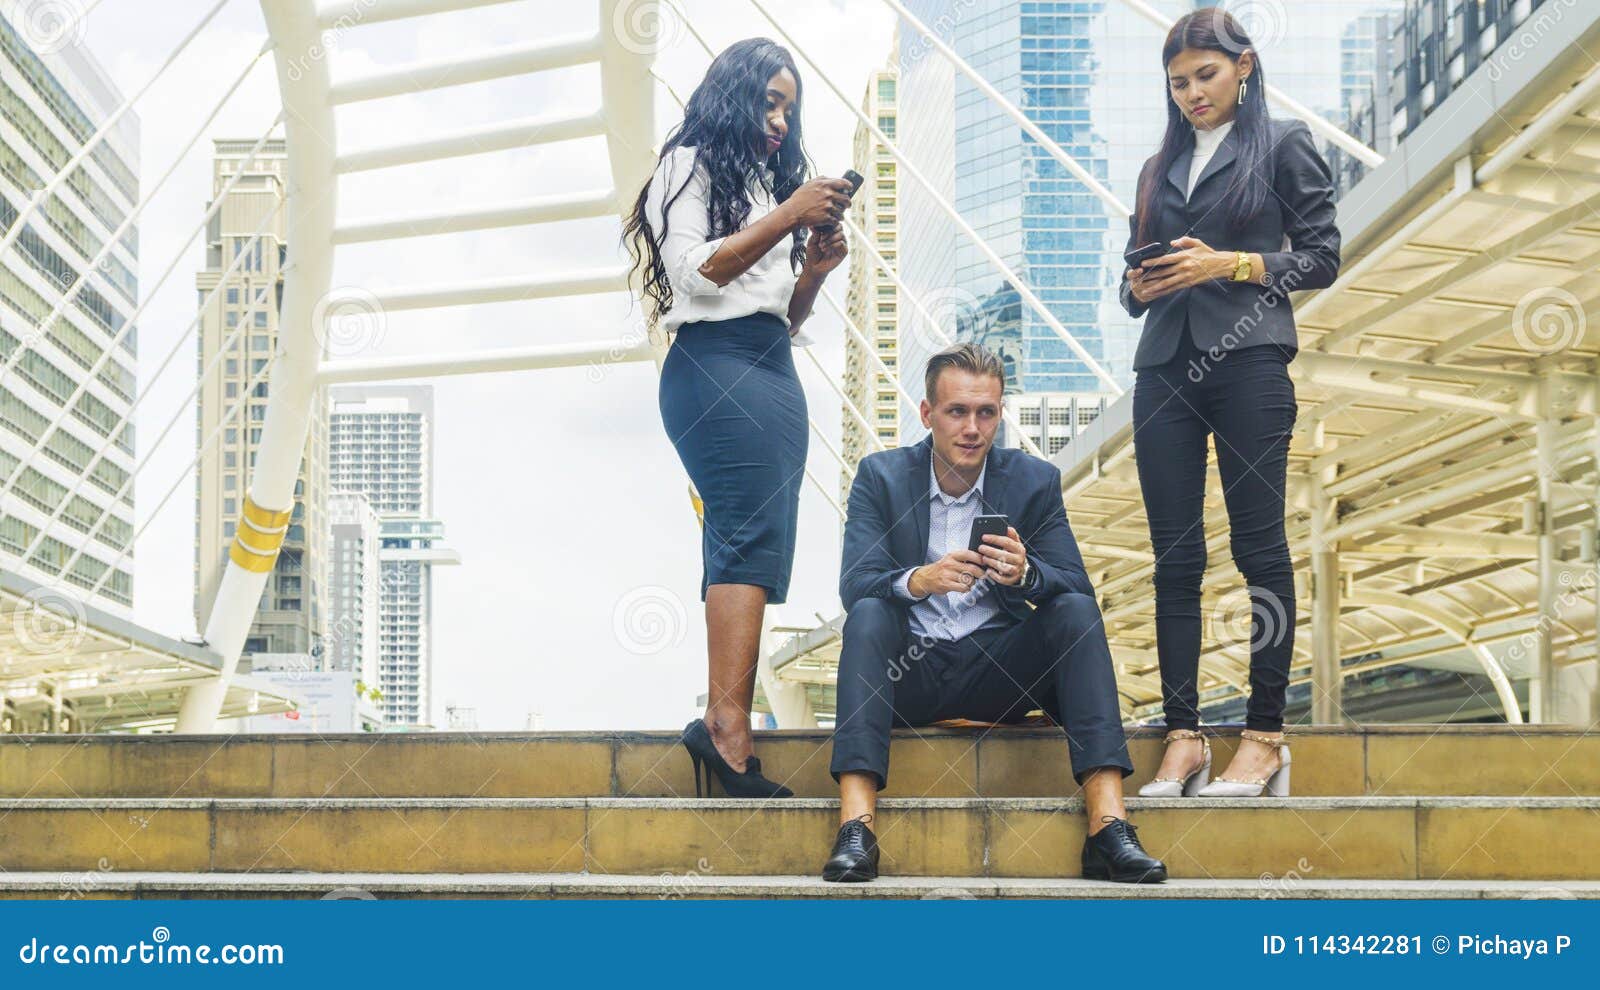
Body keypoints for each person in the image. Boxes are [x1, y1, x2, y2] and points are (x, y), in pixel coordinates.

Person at [823, 343, 1167, 884]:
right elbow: (855, 584)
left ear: (1000, 414)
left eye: (986, 413)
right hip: (909, 673)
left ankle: (1107, 827)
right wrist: (921, 579)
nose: (972, 428)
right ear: (927, 414)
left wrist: (1028, 574)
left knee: (1074, 610)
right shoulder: (881, 478)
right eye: (957, 411)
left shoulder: (1033, 480)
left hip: (998, 671)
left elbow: (1074, 582)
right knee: (867, 616)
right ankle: (856, 829)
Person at [623, 38, 854, 798]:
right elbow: (697, 272)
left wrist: (813, 270)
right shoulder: (688, 162)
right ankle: (727, 730)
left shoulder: (759, 182)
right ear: (734, 94)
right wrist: (791, 213)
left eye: (790, 106)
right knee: (742, 537)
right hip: (714, 365)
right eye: (769, 101)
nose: (781, 120)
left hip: (768, 361)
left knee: (760, 543)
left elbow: (777, 314)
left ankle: (727, 724)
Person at [1119, 10, 1341, 797]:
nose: (1191, 94)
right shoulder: (1154, 169)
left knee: (1258, 546)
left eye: (1205, 76)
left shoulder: (1282, 146)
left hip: (1249, 360)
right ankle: (1182, 738)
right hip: (1164, 371)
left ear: (1243, 66)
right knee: (1174, 559)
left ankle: (1264, 736)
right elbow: (1130, 283)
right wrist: (1139, 285)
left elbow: (1322, 256)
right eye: (1178, 83)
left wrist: (1232, 263)